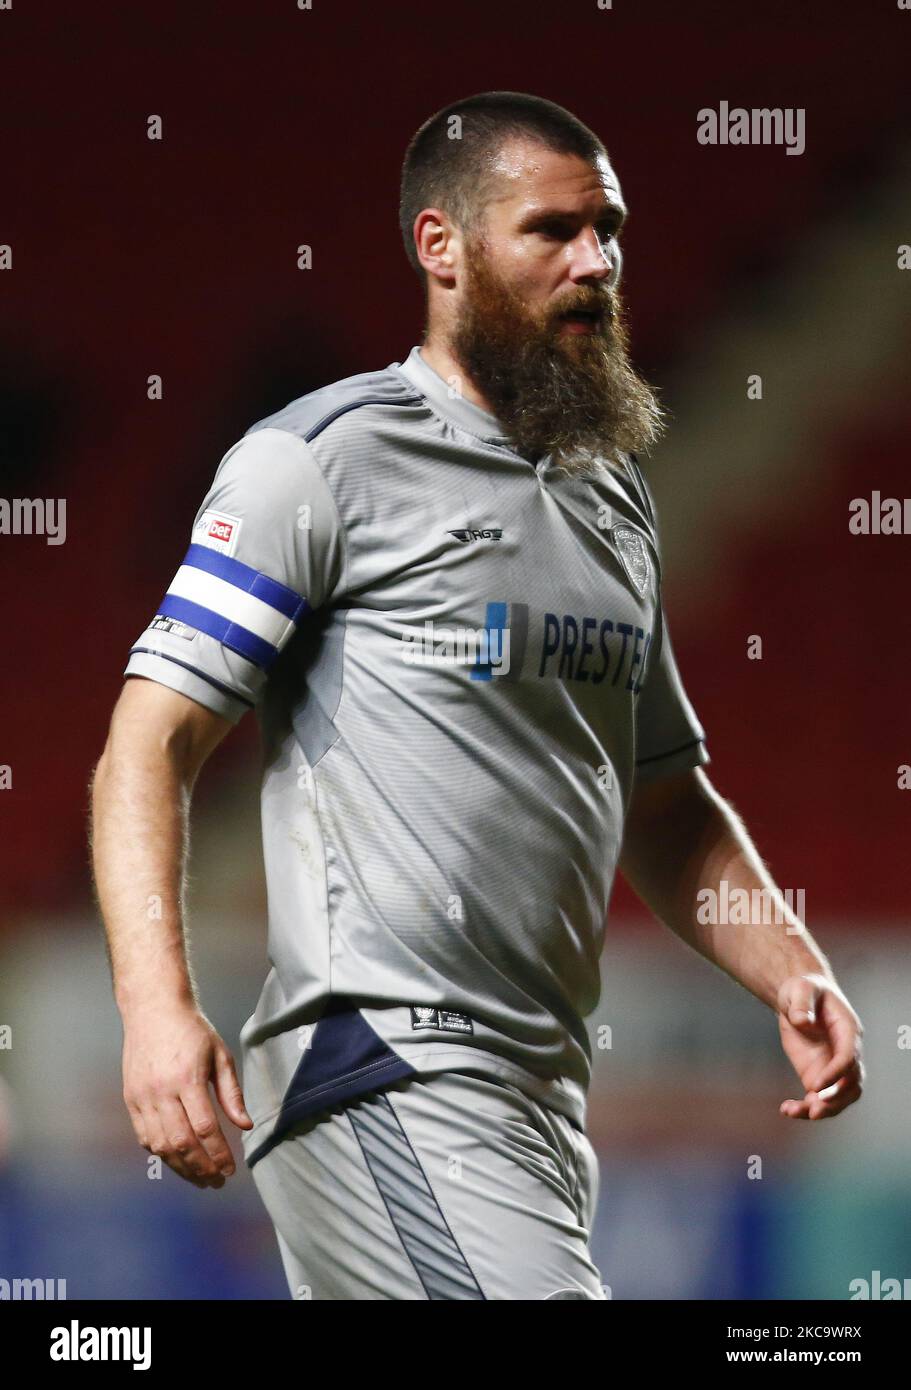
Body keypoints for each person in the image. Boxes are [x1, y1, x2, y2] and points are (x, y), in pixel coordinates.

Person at [90, 91, 864, 1300]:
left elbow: (664, 798)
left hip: (538, 1102)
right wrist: (154, 1008)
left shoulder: (613, 500)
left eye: (606, 230)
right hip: (381, 1063)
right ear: (438, 247)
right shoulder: (321, 460)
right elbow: (150, 737)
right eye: (551, 230)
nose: (595, 262)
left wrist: (787, 966)